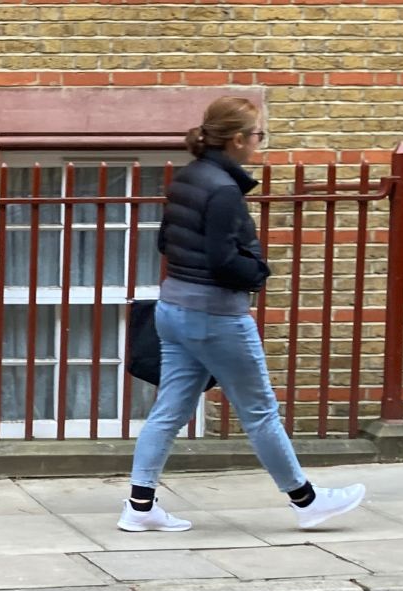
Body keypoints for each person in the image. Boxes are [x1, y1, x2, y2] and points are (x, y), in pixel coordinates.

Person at [120, 96, 366, 534]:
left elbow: (164, 244)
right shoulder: (223, 190)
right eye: (257, 136)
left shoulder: (188, 178)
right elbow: (223, 260)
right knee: (260, 411)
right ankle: (306, 501)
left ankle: (140, 506)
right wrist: (259, 271)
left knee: (170, 408)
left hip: (173, 309)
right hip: (216, 317)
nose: (259, 144)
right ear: (236, 139)